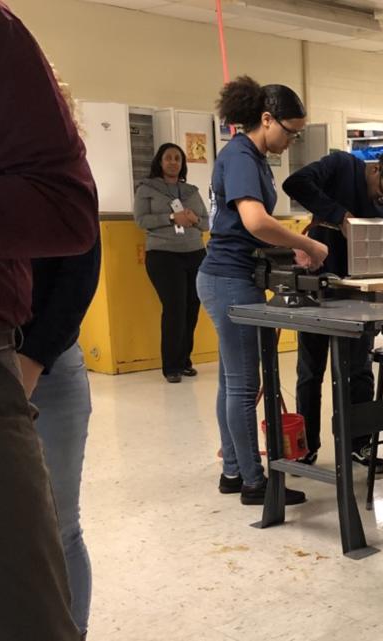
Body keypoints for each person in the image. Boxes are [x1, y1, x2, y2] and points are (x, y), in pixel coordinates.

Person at [0, 2, 98, 639]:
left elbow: (74, 274)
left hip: (31, 356)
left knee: (58, 526)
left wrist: (34, 356)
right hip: (7, 355)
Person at [196, 76, 325, 506]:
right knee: (243, 384)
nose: (292, 140)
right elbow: (253, 222)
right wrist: (306, 243)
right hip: (229, 279)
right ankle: (255, 481)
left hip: (231, 276)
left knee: (232, 382)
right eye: (290, 131)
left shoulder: (248, 156)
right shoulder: (241, 156)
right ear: (266, 119)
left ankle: (234, 471)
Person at [283, 149, 383, 469]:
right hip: (318, 283)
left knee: (359, 371)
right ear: (375, 170)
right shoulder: (339, 166)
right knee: (310, 370)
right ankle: (307, 445)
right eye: (382, 193)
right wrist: (339, 214)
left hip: (360, 292)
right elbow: (295, 183)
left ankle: (361, 443)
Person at [134, 143, 210, 383]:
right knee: (175, 308)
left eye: (177, 158)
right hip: (163, 255)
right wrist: (171, 217)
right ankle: (172, 366)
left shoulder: (191, 191)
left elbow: (206, 223)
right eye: (168, 158)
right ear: (160, 161)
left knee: (191, 308)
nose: (173, 162)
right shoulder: (146, 189)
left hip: (195, 253)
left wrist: (193, 218)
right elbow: (141, 220)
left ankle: (185, 360)